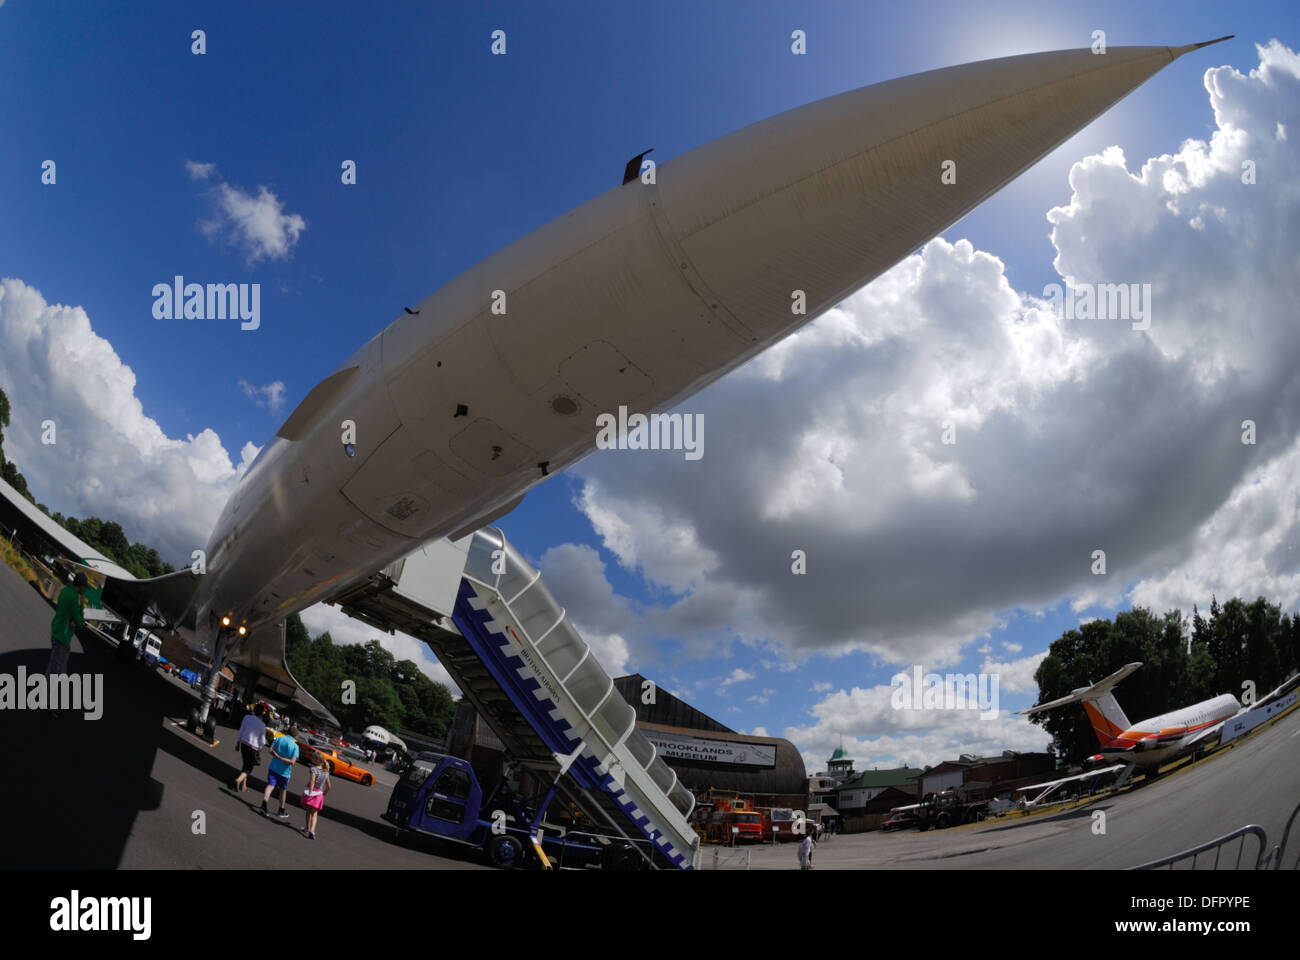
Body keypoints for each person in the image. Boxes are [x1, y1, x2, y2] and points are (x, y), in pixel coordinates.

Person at [47, 572, 87, 715]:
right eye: (84, 588)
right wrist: (81, 606)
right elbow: (80, 622)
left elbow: (64, 612)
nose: (84, 591)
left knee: (52, 667)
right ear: (81, 586)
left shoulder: (66, 591)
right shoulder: (73, 598)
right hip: (63, 638)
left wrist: (71, 619)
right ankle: (53, 706)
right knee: (60, 673)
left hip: (56, 631)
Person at [261, 728, 300, 819]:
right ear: (295, 736)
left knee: (270, 786)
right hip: (284, 772)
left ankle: (264, 804)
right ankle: (281, 810)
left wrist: (277, 756)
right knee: (283, 790)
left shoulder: (279, 739)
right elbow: (292, 762)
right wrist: (280, 758)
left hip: (273, 767)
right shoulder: (295, 746)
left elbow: (270, 750)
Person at [233, 705, 267, 792]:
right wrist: (259, 748)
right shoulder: (262, 725)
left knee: (245, 764)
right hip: (253, 747)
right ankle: (239, 780)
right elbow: (262, 741)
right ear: (262, 713)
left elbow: (241, 730)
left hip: (244, 743)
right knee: (249, 768)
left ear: (254, 710)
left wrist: (238, 743)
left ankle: (243, 786)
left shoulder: (247, 717)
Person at [300, 751, 331, 839]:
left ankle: (307, 828)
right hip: (319, 794)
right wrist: (323, 794)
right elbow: (329, 786)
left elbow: (312, 781)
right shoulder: (326, 772)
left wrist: (310, 792)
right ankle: (312, 831)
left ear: (317, 760)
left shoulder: (313, 769)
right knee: (314, 814)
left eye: (313, 757)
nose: (311, 758)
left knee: (308, 812)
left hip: (312, 792)